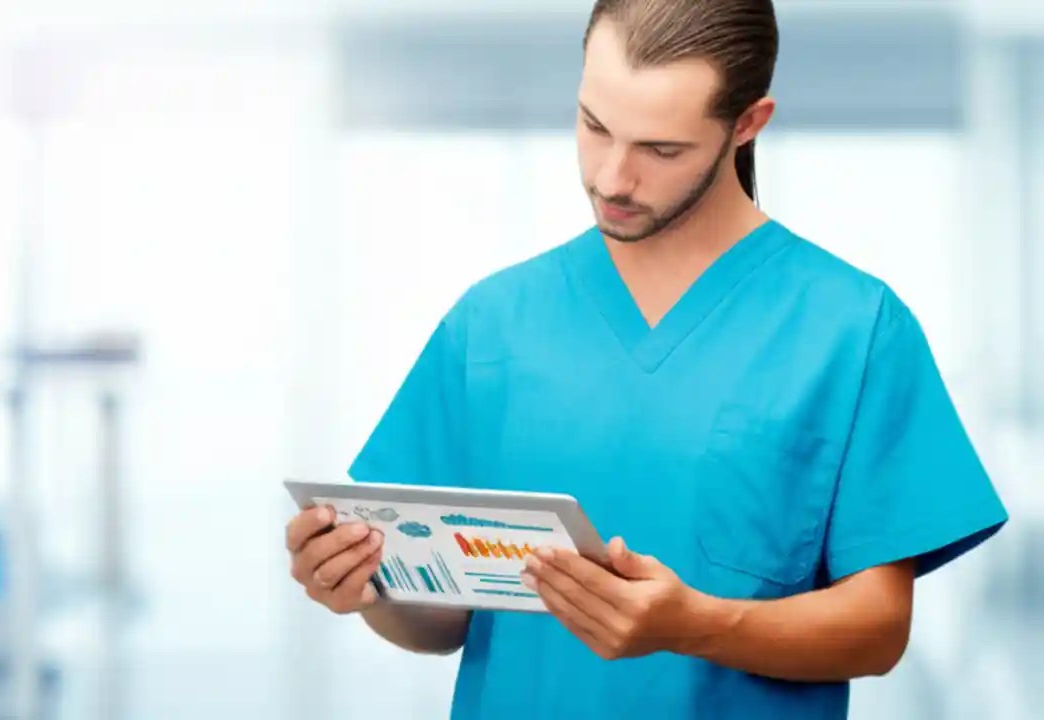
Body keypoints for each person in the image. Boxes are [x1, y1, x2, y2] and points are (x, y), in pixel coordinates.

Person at [283, 0, 1009, 717]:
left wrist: (693, 626)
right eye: (594, 126)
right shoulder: (493, 324)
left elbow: (878, 631)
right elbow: (443, 620)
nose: (611, 178)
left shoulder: (853, 329)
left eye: (661, 150)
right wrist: (368, 588)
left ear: (748, 125)